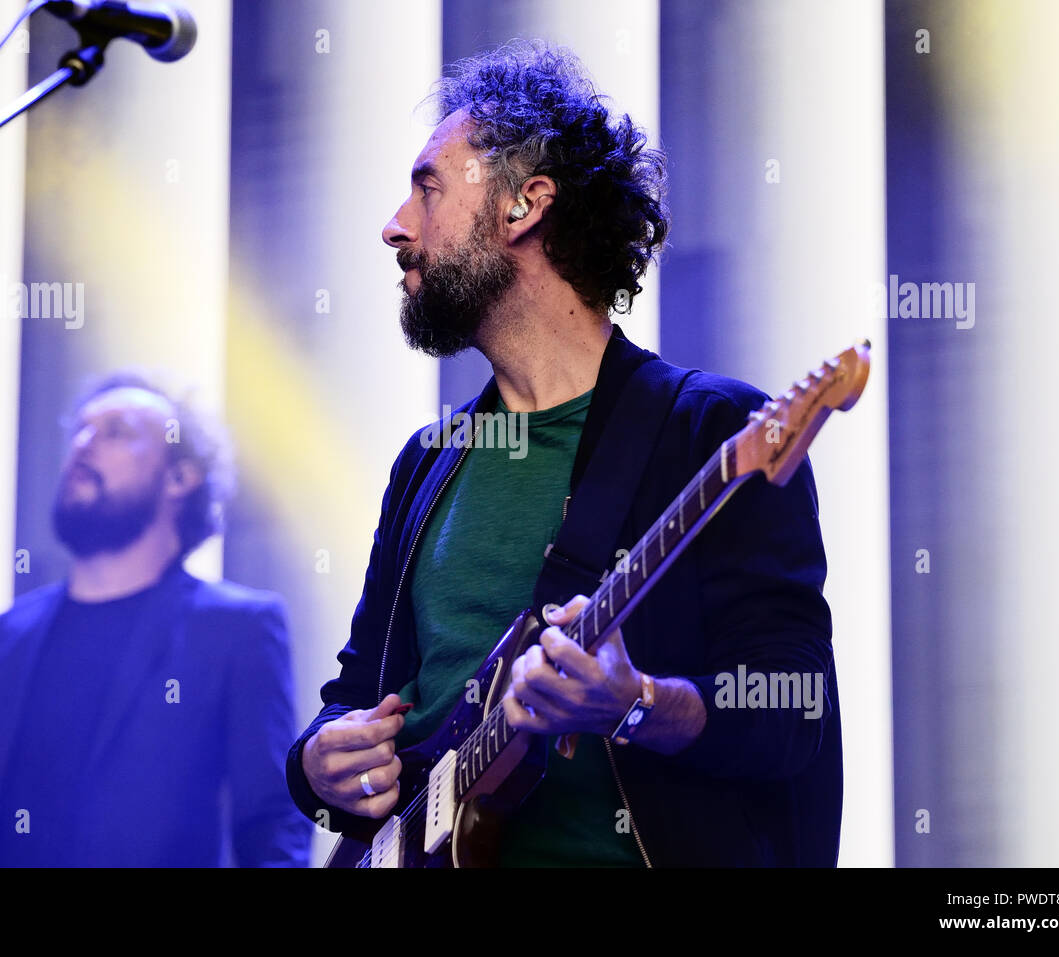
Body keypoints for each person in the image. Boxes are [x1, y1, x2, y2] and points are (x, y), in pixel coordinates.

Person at [286, 41, 842, 867]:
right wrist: (317, 761)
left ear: (523, 206)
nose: (396, 227)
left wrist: (634, 702)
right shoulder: (428, 462)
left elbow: (791, 712)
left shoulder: (709, 434)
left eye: (428, 188)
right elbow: (357, 694)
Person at [0, 372, 309, 867]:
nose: (84, 444)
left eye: (116, 432)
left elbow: (270, 823)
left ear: (180, 477)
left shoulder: (238, 630)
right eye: (81, 431)